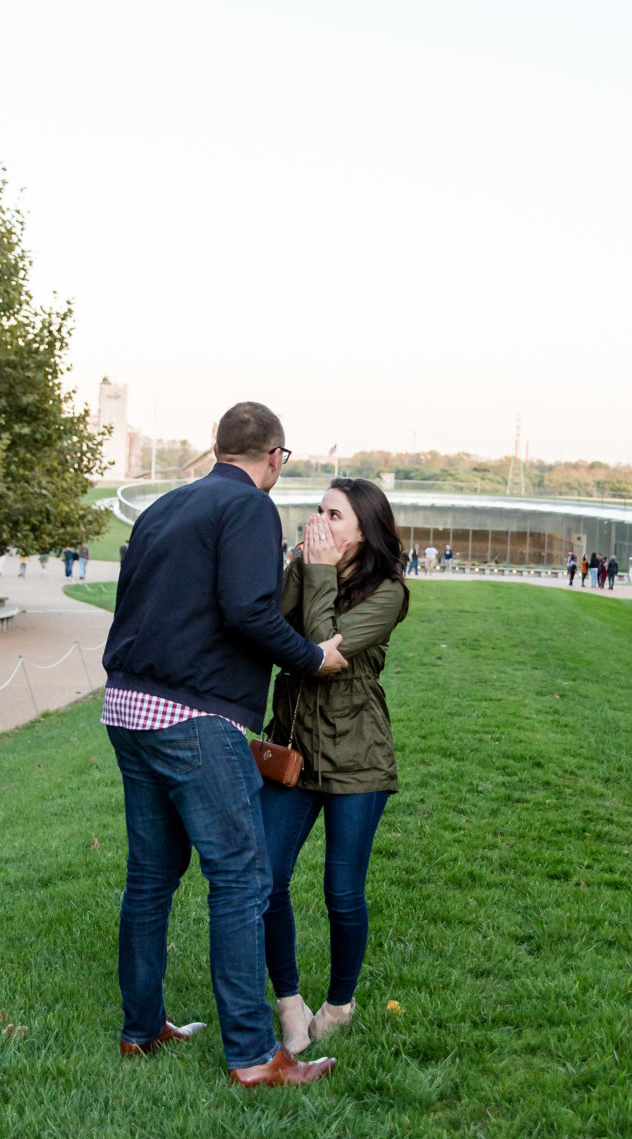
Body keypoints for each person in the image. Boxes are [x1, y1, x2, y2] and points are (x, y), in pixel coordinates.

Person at [102, 401, 349, 1088]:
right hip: (188, 714)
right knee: (241, 877)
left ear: (218, 448)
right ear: (274, 456)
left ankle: (141, 1029)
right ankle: (251, 1056)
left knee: (151, 877)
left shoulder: (164, 507)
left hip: (126, 705)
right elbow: (247, 610)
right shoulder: (246, 508)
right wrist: (310, 656)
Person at [259, 479, 409, 1056]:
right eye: (318, 510)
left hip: (357, 758)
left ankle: (340, 1003)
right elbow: (273, 629)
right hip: (294, 749)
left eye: (334, 514)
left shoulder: (388, 593)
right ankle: (289, 1002)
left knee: (342, 890)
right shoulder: (309, 566)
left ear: (364, 529)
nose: (320, 521)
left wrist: (317, 571)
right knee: (267, 879)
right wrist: (303, 568)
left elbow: (323, 652)